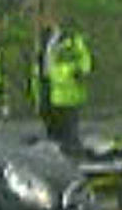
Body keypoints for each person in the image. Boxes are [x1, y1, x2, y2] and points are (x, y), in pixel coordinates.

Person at [34, 14, 92, 155]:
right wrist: (37, 96)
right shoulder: (43, 40)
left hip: (68, 95)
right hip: (48, 92)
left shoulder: (71, 39)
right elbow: (38, 67)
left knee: (69, 134)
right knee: (53, 135)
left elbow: (85, 61)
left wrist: (79, 72)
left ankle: (72, 159)